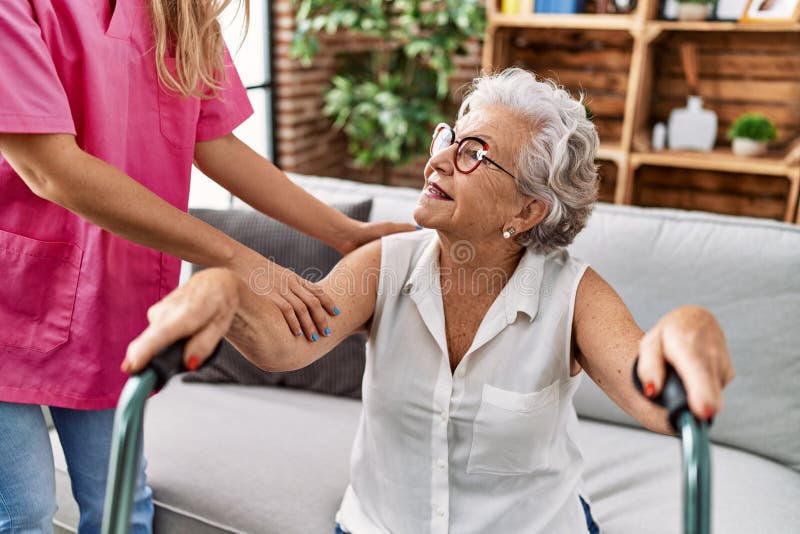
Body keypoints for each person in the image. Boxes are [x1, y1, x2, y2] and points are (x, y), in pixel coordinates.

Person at [123, 68, 736, 533]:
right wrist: (221, 288)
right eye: (451, 137)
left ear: (527, 210)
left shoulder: (574, 294)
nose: (437, 157)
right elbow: (285, 345)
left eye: (473, 153)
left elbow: (654, 394)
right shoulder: (382, 265)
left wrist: (690, 326)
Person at [0, 1, 412, 532]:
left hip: (108, 299)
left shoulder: (178, 11)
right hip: (9, 296)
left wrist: (344, 233)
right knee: (25, 511)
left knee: (123, 506)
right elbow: (49, 168)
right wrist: (240, 261)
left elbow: (216, 144)